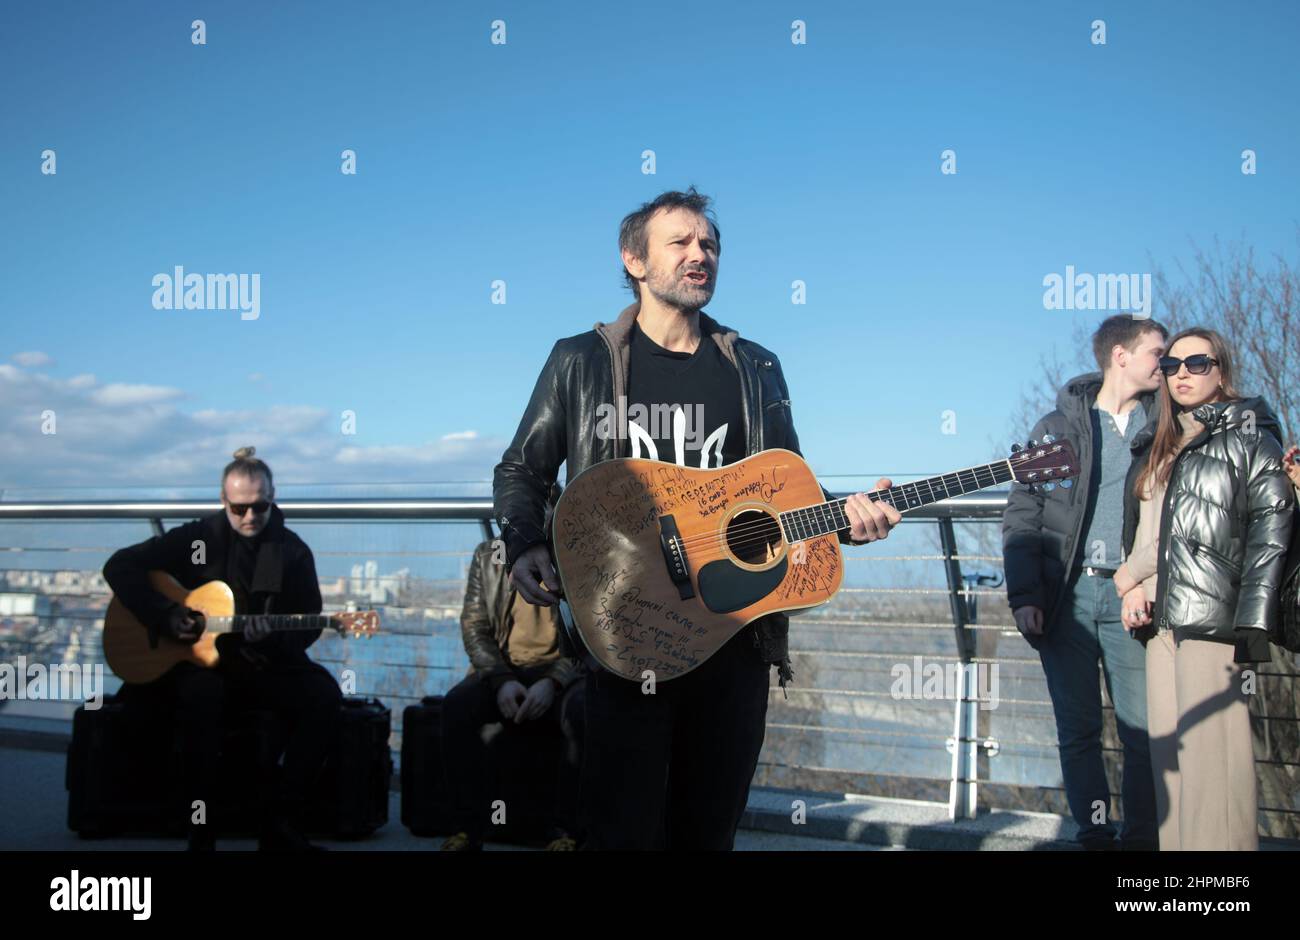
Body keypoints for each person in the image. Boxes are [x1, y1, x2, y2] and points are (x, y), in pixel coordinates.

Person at [493, 187, 900, 850]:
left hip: (735, 636)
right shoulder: (581, 361)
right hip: (625, 635)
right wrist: (522, 543)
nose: (699, 254)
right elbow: (521, 470)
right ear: (634, 260)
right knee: (620, 831)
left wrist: (849, 517)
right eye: (680, 242)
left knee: (707, 833)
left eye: (709, 243)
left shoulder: (756, 368)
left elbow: (788, 489)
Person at [103, 446, 342, 851]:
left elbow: (308, 620)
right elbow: (119, 565)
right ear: (223, 501)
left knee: (324, 698)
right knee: (203, 698)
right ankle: (202, 830)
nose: (250, 516)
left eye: (261, 506)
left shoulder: (291, 550)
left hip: (262, 662)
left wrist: (273, 637)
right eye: (239, 508)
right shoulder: (197, 538)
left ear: (273, 497)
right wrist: (164, 614)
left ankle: (280, 822)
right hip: (197, 664)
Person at [1113, 328, 1294, 850]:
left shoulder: (1247, 435)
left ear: (1222, 370)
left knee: (1217, 775)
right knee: (1172, 775)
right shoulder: (1158, 446)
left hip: (1215, 616)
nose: (1182, 374)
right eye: (1171, 366)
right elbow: (1146, 526)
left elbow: (1271, 524)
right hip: (1160, 621)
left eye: (1197, 363)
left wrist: (1253, 622)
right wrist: (1131, 588)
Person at [1002, 314, 1167, 850]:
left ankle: (1142, 842)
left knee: (1141, 732)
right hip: (1065, 600)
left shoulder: (1162, 427)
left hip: (1132, 597)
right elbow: (1024, 514)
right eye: (1156, 354)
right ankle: (1094, 836)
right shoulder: (1057, 428)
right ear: (1120, 356)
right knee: (1079, 732)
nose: (1164, 365)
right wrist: (1026, 596)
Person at [441, 504, 586, 852]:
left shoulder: (579, 550)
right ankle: (468, 828)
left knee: (581, 713)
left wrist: (553, 682)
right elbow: (474, 626)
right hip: (503, 670)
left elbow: (591, 637)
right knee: (457, 707)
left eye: (546, 507)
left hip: (562, 671)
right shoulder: (489, 556)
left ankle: (567, 830)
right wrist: (500, 678)